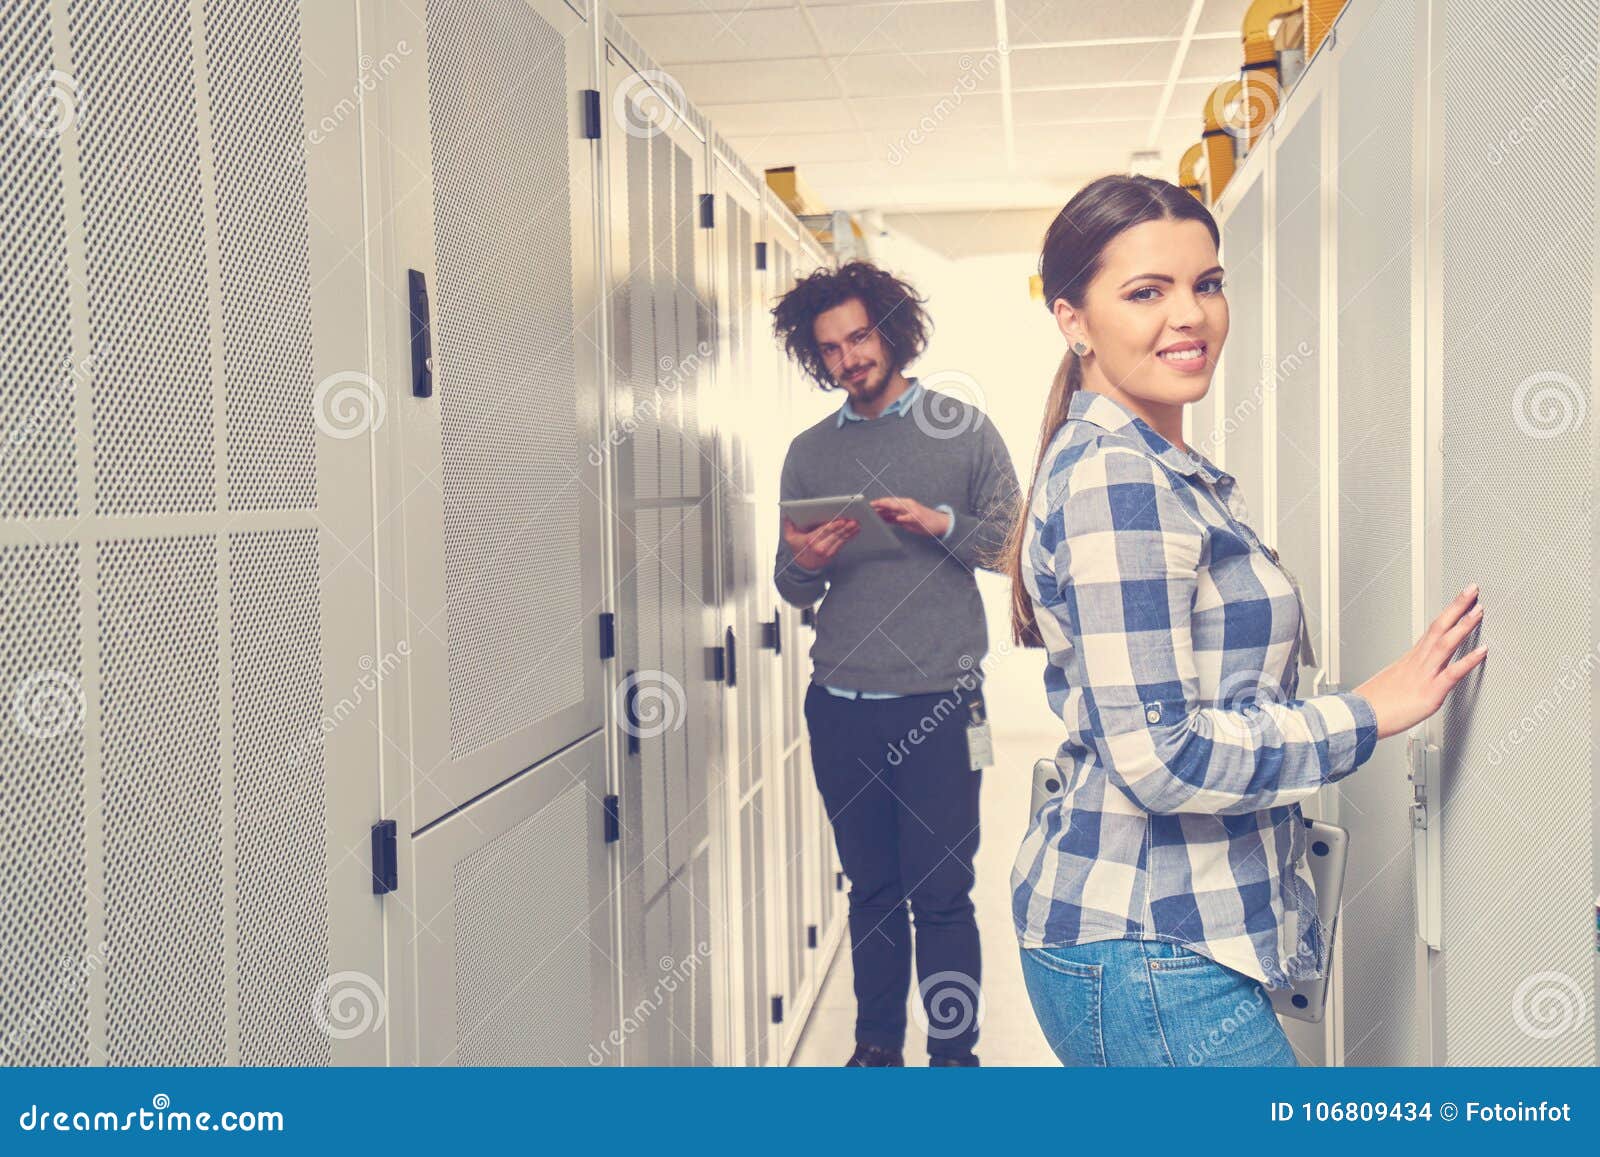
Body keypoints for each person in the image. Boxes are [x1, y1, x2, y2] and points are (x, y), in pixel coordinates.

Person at [1002, 174, 1488, 1067]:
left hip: (1172, 936)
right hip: (1147, 944)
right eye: (1146, 291)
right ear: (1074, 320)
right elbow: (1161, 756)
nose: (1189, 315)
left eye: (1207, 283)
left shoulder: (1161, 465)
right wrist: (1369, 712)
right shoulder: (1118, 480)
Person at [770, 261, 1020, 1067]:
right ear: (818, 359)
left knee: (942, 896)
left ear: (891, 328)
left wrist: (938, 521)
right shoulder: (809, 454)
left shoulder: (964, 429)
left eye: (860, 336)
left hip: (942, 705)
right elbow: (791, 582)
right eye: (832, 348)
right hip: (841, 703)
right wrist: (806, 559)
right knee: (871, 892)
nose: (849, 358)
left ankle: (955, 1060)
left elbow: (1015, 550)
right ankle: (875, 1051)